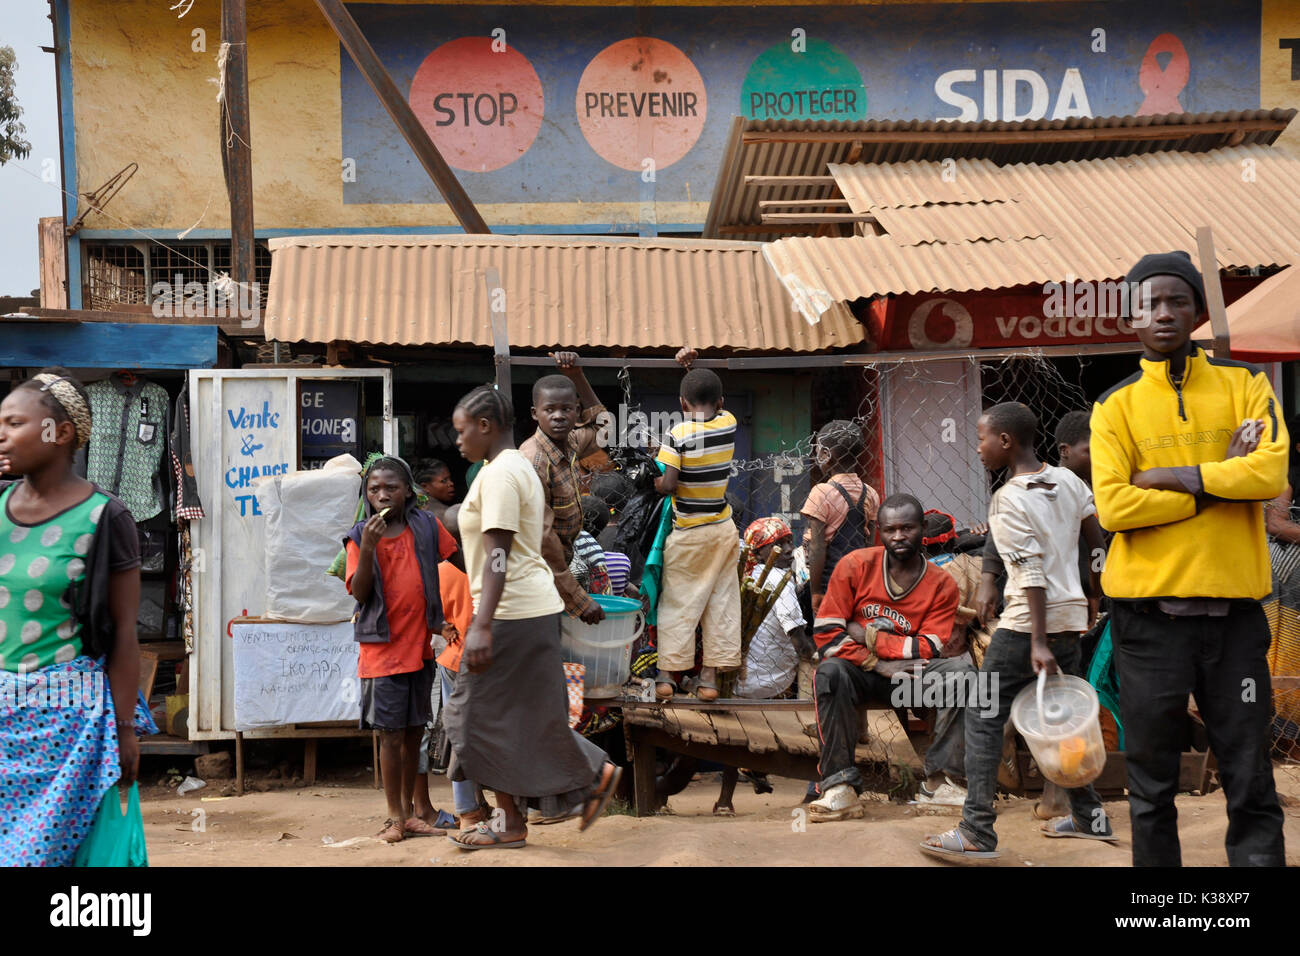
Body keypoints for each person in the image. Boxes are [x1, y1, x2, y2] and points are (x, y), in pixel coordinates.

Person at [1091, 251, 1288, 867]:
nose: (1163, 313)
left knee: (1250, 775)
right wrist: (1220, 482)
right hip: (1150, 624)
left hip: (1234, 621)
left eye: (1177, 300)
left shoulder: (1245, 384)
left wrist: (1176, 477)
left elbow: (1271, 471)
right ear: (1130, 319)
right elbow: (1116, 509)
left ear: (1199, 312)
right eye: (1149, 303)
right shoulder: (1114, 407)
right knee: (1150, 784)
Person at [921, 402, 1113, 860]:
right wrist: (1092, 597)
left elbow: (1028, 573)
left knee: (984, 716)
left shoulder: (1008, 499)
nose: (979, 447)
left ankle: (976, 832)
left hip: (1029, 624)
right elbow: (1097, 545)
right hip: (1067, 618)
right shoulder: (1069, 481)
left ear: (1005, 441)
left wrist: (1040, 641)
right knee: (1059, 716)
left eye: (982, 438)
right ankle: (1091, 818)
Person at [443, 385, 621, 850]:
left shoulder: (502, 474)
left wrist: (483, 623)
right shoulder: (514, 465)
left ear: (486, 426)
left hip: (511, 612)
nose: (457, 440)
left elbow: (498, 553)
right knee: (520, 717)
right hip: (531, 607)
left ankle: (588, 775)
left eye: (462, 431)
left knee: (470, 717)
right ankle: (512, 822)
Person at [0, 368, 157, 866]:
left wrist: (126, 730)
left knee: (49, 857)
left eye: (13, 422)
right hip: (4, 723)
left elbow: (125, 634)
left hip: (69, 726)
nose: (1, 434)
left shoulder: (106, 518)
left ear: (60, 433)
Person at [808, 493, 965, 822]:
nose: (898, 537)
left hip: (909, 681)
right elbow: (826, 633)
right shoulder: (855, 566)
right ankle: (840, 789)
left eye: (907, 528)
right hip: (862, 676)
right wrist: (878, 662)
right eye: (890, 529)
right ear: (879, 530)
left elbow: (929, 647)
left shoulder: (942, 584)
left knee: (961, 677)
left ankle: (940, 783)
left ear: (922, 528)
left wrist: (865, 635)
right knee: (830, 672)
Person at [344, 456, 457, 843]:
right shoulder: (360, 535)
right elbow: (359, 593)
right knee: (390, 735)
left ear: (408, 491)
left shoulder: (426, 526)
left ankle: (410, 813)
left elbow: (455, 558)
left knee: (412, 733)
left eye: (390, 487)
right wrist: (371, 547)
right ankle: (394, 816)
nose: (381, 494)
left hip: (420, 648)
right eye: (374, 488)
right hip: (382, 651)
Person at [652, 349, 742, 703]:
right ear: (720, 401)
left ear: (681, 403)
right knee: (721, 602)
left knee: (678, 602)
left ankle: (666, 676)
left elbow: (669, 484)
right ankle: (709, 680)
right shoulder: (730, 422)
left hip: (688, 533)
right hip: (722, 530)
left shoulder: (677, 434)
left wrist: (654, 481)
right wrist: (692, 367)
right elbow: (708, 404)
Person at [518, 352, 610, 629]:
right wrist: (580, 600)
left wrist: (577, 375)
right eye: (550, 410)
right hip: (537, 571)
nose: (558, 416)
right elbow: (543, 542)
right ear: (535, 414)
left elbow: (605, 427)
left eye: (566, 409)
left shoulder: (569, 441)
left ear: (576, 411)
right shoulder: (534, 460)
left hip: (558, 567)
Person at [802, 420, 881, 616]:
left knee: (830, 632)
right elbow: (869, 545)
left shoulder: (821, 492)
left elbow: (817, 547)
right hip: (860, 582)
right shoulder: (870, 493)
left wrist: (816, 591)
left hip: (830, 581)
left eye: (818, 450)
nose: (816, 455)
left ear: (827, 455)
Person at [735, 517, 806, 700]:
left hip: (739, 683)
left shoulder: (745, 576)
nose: (789, 550)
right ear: (758, 554)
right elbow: (798, 640)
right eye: (779, 544)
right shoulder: (779, 581)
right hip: (771, 684)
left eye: (790, 541)